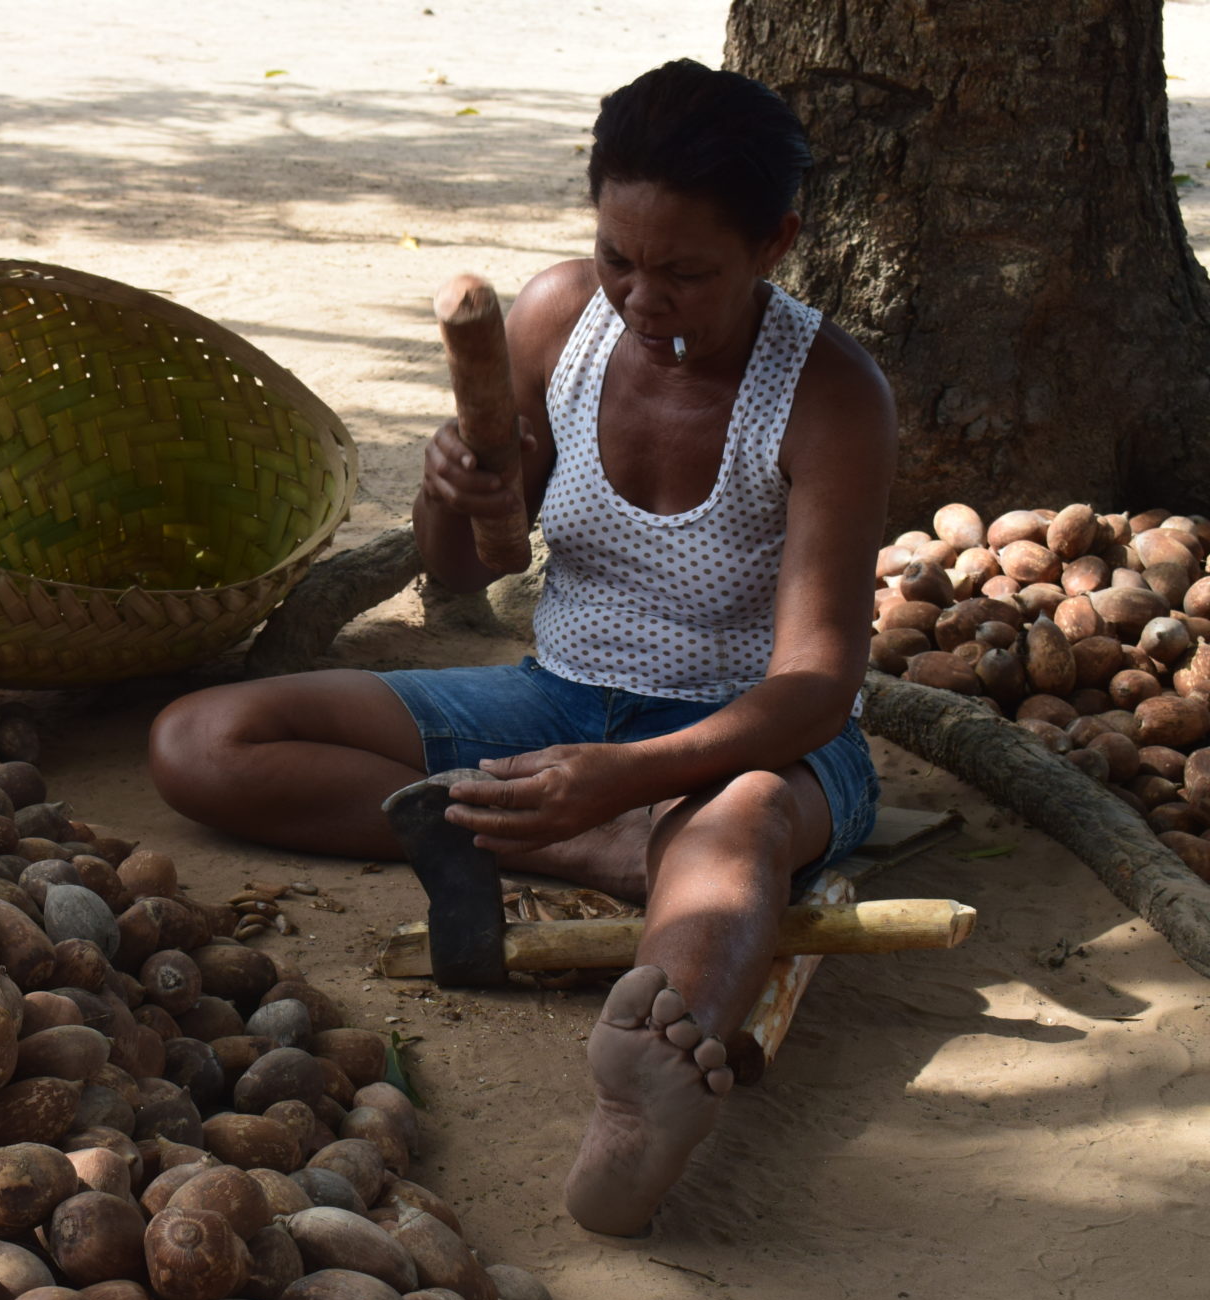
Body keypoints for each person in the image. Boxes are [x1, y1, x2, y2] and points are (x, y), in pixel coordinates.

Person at [146, 58, 896, 1236]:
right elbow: (463, 571)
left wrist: (642, 771)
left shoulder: (828, 396)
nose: (641, 299)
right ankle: (608, 851)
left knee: (736, 823)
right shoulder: (556, 323)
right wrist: (451, 483)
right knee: (202, 737)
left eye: (686, 272)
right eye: (618, 257)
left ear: (776, 243)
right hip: (560, 698)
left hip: (759, 740)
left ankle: (643, 1092)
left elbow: (813, 685)